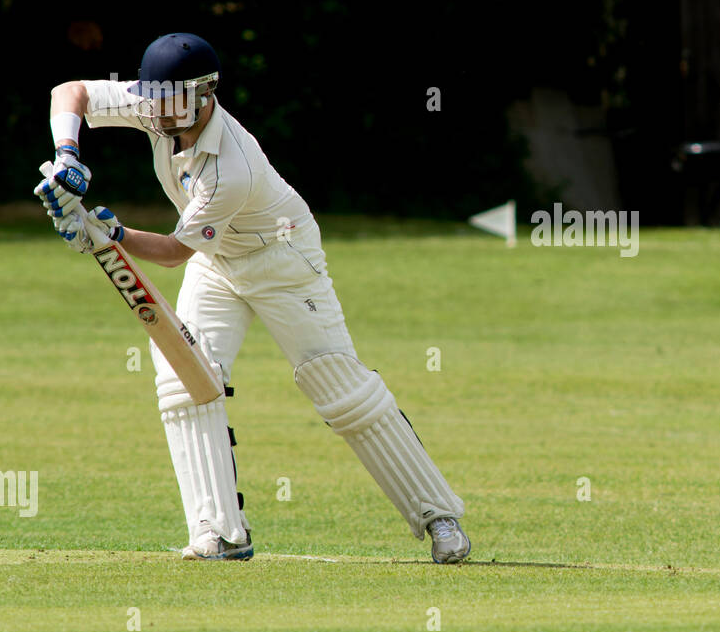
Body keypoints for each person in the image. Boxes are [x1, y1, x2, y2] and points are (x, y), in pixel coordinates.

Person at [34, 33, 471, 563]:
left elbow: (173, 252)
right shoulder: (156, 103)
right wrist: (67, 158)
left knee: (337, 384)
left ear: (205, 93)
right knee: (184, 374)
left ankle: (439, 517)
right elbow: (70, 90)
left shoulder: (229, 167)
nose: (159, 110)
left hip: (283, 260)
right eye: (154, 97)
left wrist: (111, 234)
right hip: (217, 263)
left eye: (172, 99)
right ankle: (218, 533)